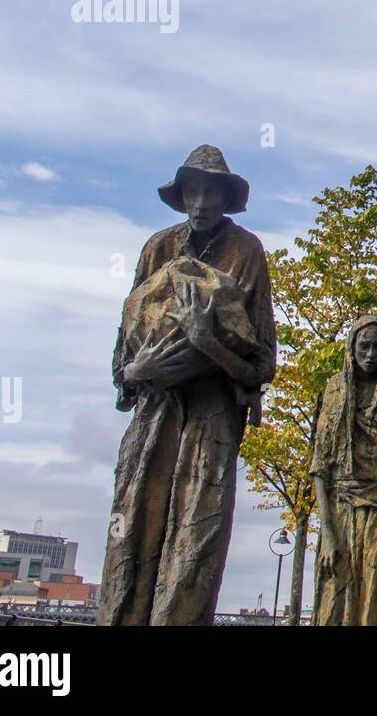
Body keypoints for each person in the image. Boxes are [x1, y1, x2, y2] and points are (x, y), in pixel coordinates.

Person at [98, 145, 276, 626]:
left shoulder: (248, 251)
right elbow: (125, 347)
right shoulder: (157, 248)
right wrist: (135, 372)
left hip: (211, 414)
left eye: (210, 190)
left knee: (195, 539)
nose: (200, 201)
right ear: (181, 196)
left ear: (225, 195)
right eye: (192, 191)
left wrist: (206, 343)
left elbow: (260, 364)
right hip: (154, 413)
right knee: (132, 531)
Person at [311, 315, 377, 625]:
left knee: (375, 597)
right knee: (334, 596)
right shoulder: (335, 389)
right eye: (363, 346)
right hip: (339, 513)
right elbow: (320, 466)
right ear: (351, 347)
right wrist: (327, 533)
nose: (370, 354)